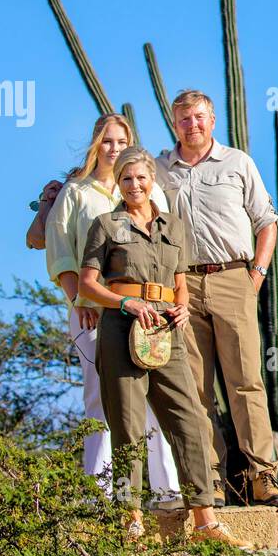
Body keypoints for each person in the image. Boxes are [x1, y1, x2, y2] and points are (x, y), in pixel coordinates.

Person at [79, 146, 250, 547]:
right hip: (121, 326)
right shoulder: (105, 226)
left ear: (152, 181)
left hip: (166, 329)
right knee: (128, 423)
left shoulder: (173, 226)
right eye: (126, 179)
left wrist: (184, 308)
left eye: (141, 178)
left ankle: (205, 519)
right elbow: (88, 283)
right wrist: (125, 302)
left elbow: (180, 282)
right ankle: (131, 516)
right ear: (118, 184)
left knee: (189, 418)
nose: (134, 185)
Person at [40, 113, 183, 506]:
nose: (114, 148)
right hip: (94, 309)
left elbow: (168, 251)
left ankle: (166, 489)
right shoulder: (76, 193)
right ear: (95, 145)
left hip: (150, 312)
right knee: (101, 400)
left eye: (121, 141)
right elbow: (61, 252)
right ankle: (99, 491)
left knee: (155, 399)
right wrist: (80, 301)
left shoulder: (150, 191)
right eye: (107, 141)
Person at [154, 89, 278, 507]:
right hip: (182, 285)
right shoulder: (159, 169)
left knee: (246, 379)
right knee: (195, 387)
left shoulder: (238, 163)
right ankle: (209, 478)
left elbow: (267, 221)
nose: (191, 125)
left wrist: (256, 275)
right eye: (183, 119)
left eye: (198, 117)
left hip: (234, 276)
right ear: (174, 124)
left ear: (212, 120)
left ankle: (262, 475)